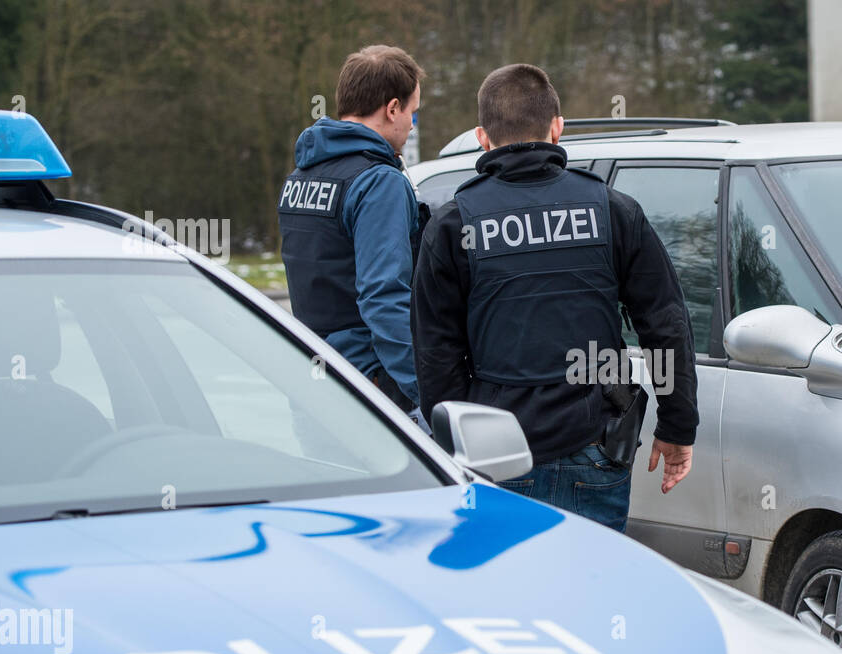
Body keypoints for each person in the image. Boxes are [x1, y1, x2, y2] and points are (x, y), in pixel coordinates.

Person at [411, 63, 698, 533]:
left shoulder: (454, 225)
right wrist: (677, 425)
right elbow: (666, 324)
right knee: (593, 595)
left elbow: (434, 354)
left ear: (483, 137)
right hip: (596, 448)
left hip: (496, 456)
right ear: (557, 128)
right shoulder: (612, 209)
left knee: (510, 597)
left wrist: (461, 446)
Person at [278, 44, 427, 428]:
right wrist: (425, 390)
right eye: (412, 111)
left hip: (312, 380)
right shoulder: (378, 182)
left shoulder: (301, 177)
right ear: (392, 108)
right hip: (369, 390)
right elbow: (383, 297)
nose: (411, 124)